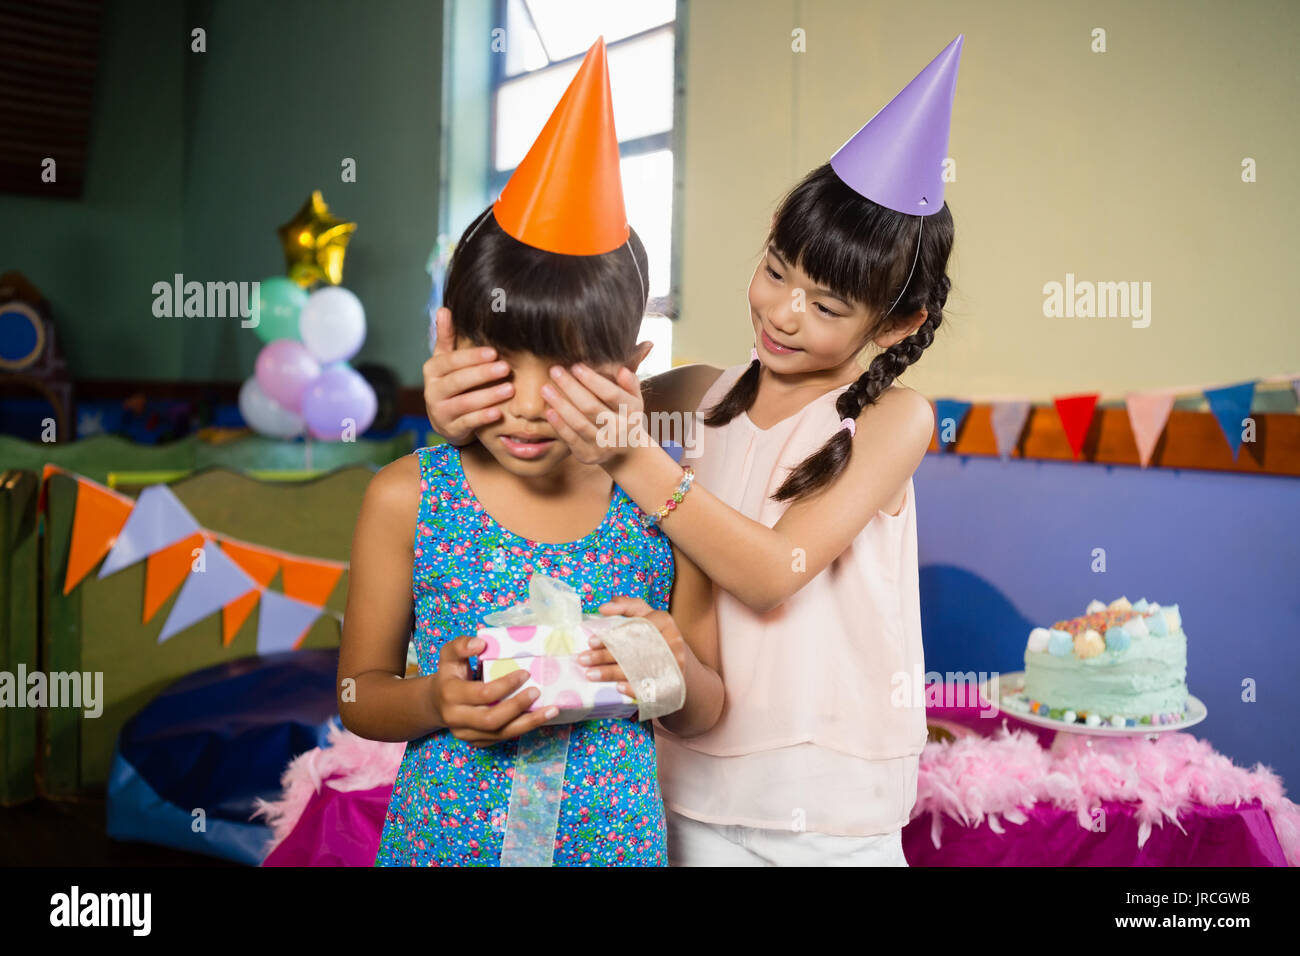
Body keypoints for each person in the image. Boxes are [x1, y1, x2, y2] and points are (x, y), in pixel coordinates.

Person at [422, 36, 964, 866]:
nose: (783, 313)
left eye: (824, 304)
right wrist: (460, 415)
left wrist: (633, 457)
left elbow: (773, 571)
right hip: (684, 781)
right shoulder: (692, 398)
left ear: (895, 325)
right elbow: (546, 445)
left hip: (829, 811)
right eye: (776, 270)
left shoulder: (896, 420)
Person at [339, 38, 722, 867]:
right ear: (447, 341)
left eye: (570, 372)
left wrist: (663, 663)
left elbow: (708, 706)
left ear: (631, 370)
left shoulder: (663, 501)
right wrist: (436, 703)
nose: (523, 403)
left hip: (613, 849)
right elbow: (357, 696)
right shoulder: (407, 497)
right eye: (498, 360)